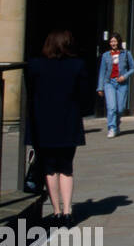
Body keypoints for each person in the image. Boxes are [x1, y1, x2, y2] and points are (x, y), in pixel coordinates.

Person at [27, 30, 93, 226]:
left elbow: (30, 92)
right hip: (67, 121)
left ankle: (55, 211)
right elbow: (84, 96)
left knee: (49, 168)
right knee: (66, 167)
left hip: (43, 123)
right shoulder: (77, 65)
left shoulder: (35, 66)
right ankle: (67, 211)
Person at [96, 32, 134, 139]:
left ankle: (116, 125)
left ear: (118, 42)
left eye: (115, 41)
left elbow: (133, 68)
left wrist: (125, 76)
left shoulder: (126, 53)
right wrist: (100, 87)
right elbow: (102, 72)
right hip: (109, 83)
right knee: (111, 107)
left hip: (122, 83)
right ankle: (111, 128)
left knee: (120, 109)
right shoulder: (105, 55)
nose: (113, 43)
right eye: (111, 41)